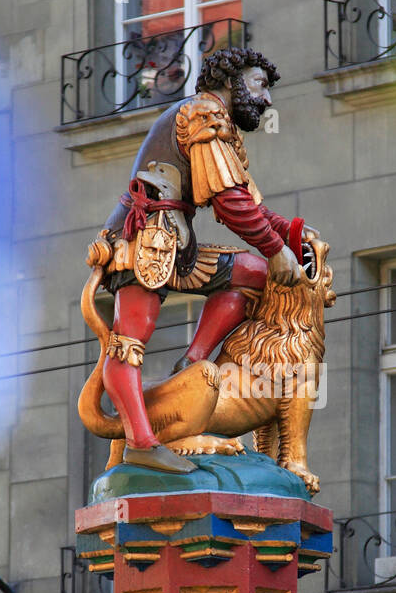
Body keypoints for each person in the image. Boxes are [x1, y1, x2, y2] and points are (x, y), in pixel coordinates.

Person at [98, 46, 314, 472]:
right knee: (130, 340)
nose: (267, 99)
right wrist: (276, 248)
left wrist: (289, 234)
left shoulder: (222, 127)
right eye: (260, 85)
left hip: (178, 242)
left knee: (250, 274)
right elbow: (231, 204)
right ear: (229, 82)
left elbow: (247, 202)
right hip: (143, 241)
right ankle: (140, 441)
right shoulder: (203, 115)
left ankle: (192, 363)